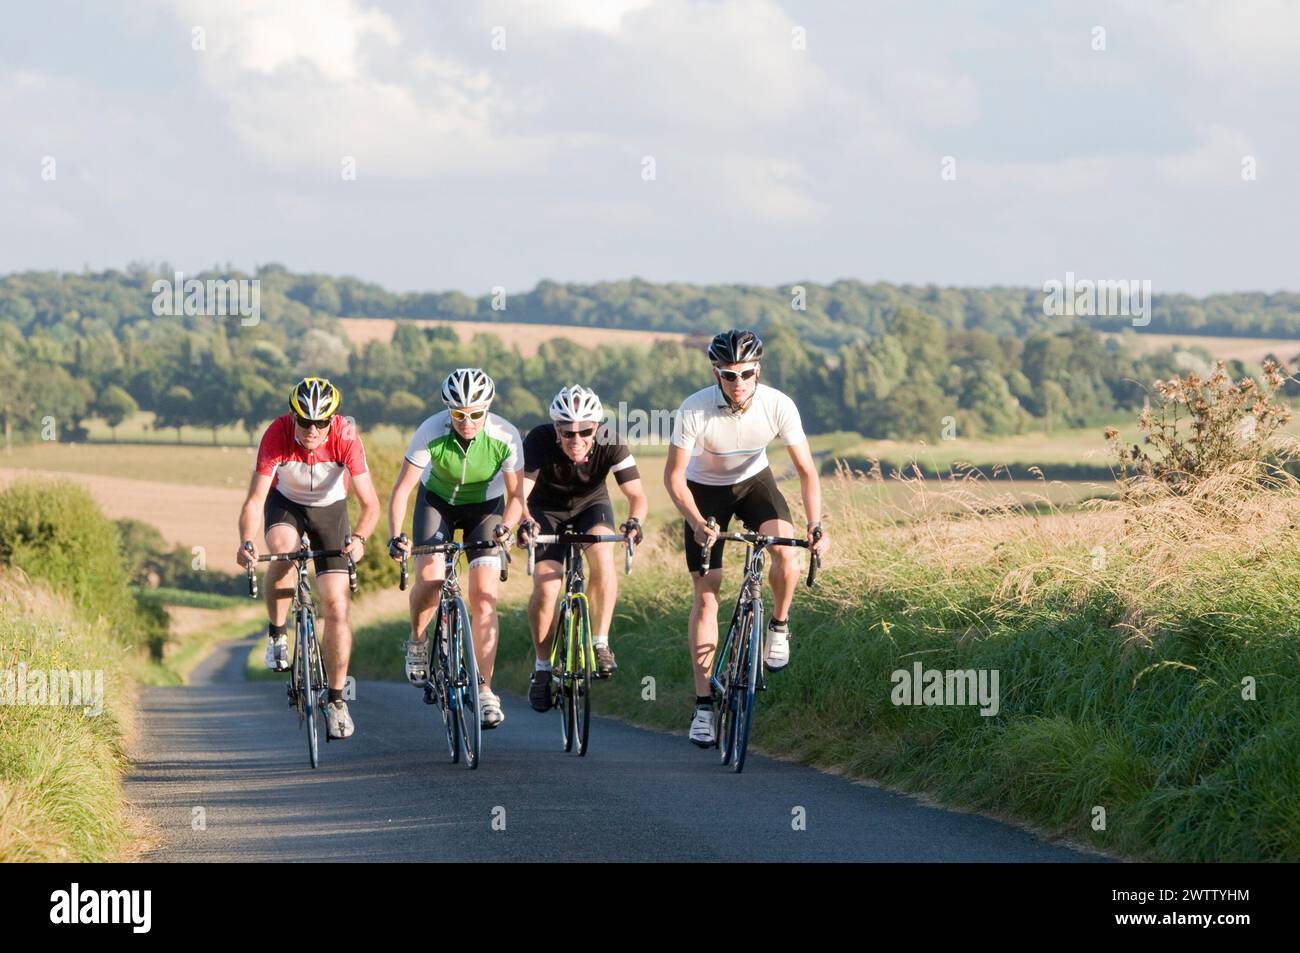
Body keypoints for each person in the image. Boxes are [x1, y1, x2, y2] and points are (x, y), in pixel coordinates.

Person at [663, 330, 830, 747]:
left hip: (755, 483)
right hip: (704, 493)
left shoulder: (778, 405)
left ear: (759, 371)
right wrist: (698, 521)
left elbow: (808, 471)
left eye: (746, 373)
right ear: (716, 374)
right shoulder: (695, 409)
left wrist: (816, 524)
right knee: (706, 595)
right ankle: (703, 707)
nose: (738, 383)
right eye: (728, 374)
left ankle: (778, 625)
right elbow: (673, 477)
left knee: (786, 554)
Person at [236, 376, 379, 741]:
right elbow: (255, 500)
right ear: (293, 417)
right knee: (284, 552)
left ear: (332, 420)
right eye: (304, 422)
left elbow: (370, 504)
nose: (312, 430)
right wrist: (246, 541)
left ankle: (336, 701)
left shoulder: (346, 436)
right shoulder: (277, 434)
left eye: (320, 422)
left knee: (336, 606)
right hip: (286, 505)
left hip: (331, 511)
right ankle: (278, 634)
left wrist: (360, 538)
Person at [386, 368, 526, 729]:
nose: (467, 422)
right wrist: (396, 535)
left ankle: (484, 690)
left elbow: (515, 497)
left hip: (486, 509)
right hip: (437, 505)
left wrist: (506, 528)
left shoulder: (505, 435)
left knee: (483, 597)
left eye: (475, 414)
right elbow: (402, 490)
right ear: (448, 411)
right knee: (431, 580)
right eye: (459, 414)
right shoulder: (430, 431)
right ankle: (417, 641)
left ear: (487, 410)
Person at [516, 385, 648, 712]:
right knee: (547, 585)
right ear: (555, 429)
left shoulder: (611, 441)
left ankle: (600, 641)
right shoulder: (537, 440)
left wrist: (634, 522)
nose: (576, 439)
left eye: (585, 431)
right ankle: (543, 668)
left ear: (597, 427)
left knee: (603, 556)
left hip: (592, 506)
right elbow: (520, 495)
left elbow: (637, 496)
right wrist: (525, 522)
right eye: (567, 432)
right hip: (545, 510)